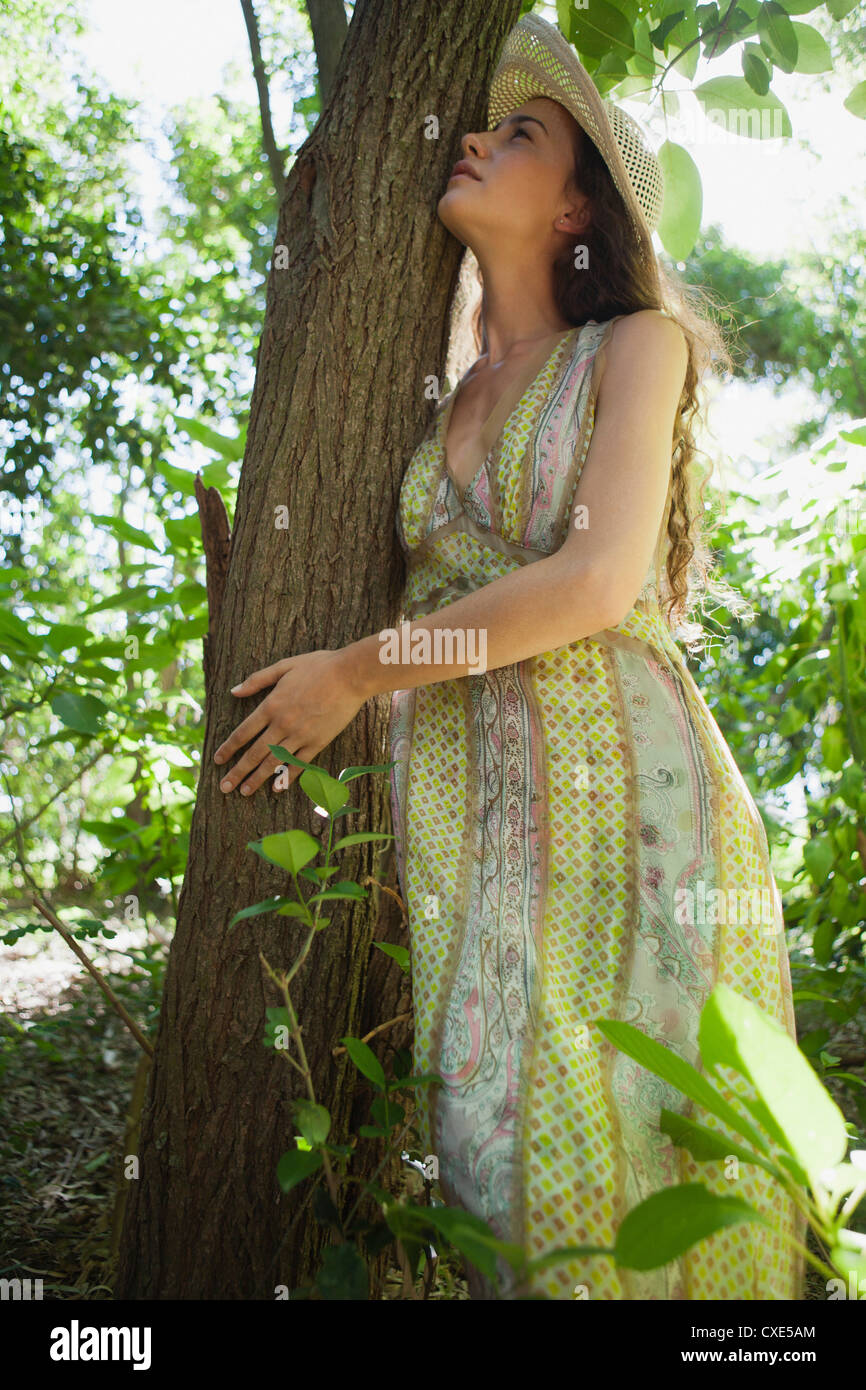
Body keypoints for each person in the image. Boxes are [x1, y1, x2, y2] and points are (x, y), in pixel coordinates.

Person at [212, 14, 805, 1301]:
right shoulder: (433, 396)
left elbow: (594, 582)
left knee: (656, 1174)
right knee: (500, 1164)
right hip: (471, 827)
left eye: (519, 132)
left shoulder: (631, 349)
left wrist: (358, 670)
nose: (475, 138)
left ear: (578, 207)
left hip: (637, 821)